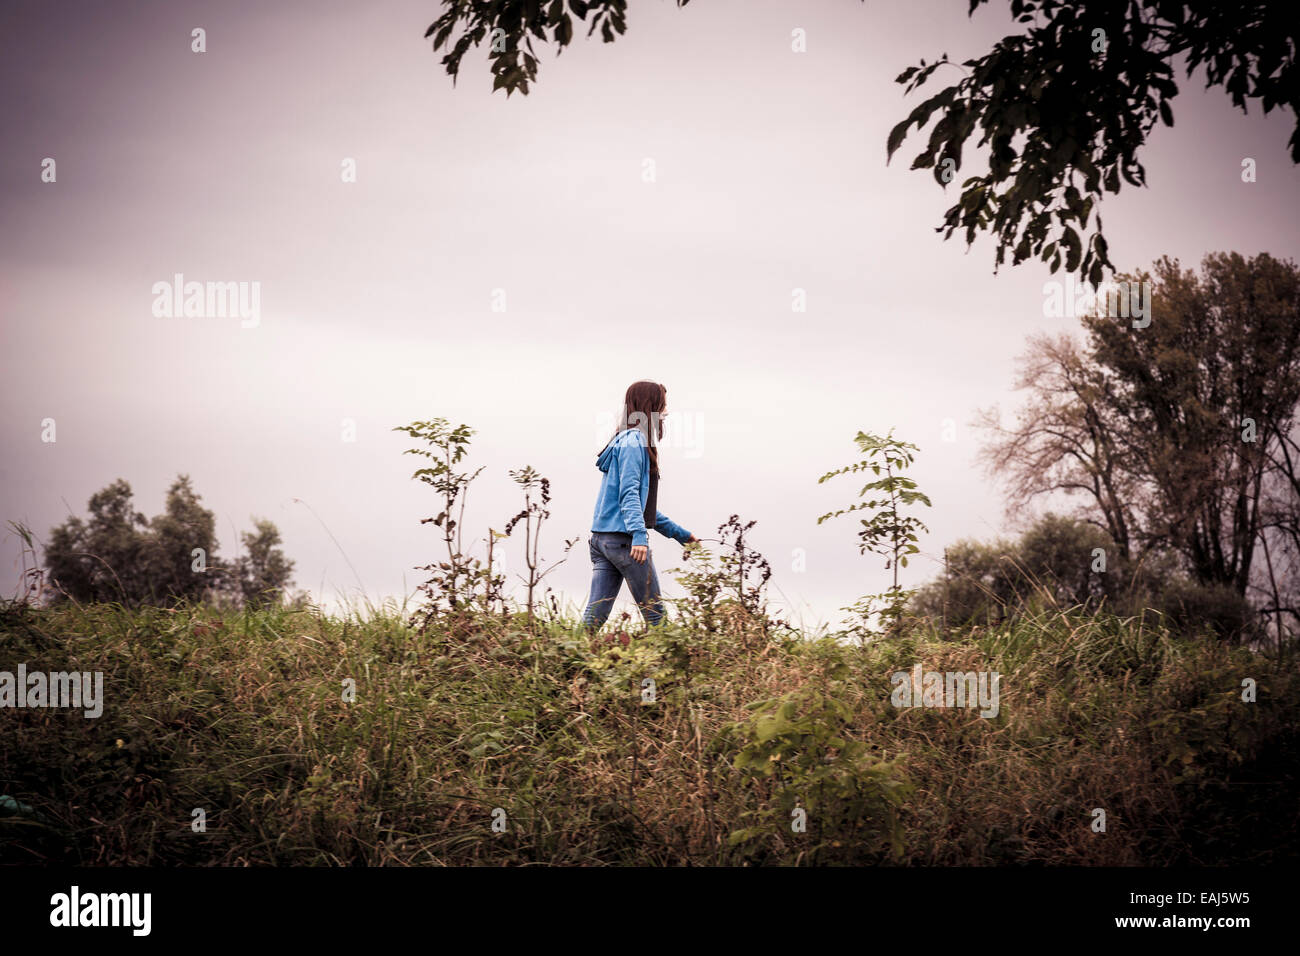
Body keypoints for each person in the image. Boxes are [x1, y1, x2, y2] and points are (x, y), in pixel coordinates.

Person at [582, 380, 698, 633]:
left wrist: (680, 534)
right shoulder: (635, 442)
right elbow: (629, 495)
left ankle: (568, 664)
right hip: (625, 542)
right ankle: (668, 667)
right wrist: (638, 536)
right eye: (663, 406)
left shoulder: (623, 440)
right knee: (656, 617)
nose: (666, 412)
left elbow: (642, 507)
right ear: (651, 406)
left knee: (594, 617)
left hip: (602, 540)